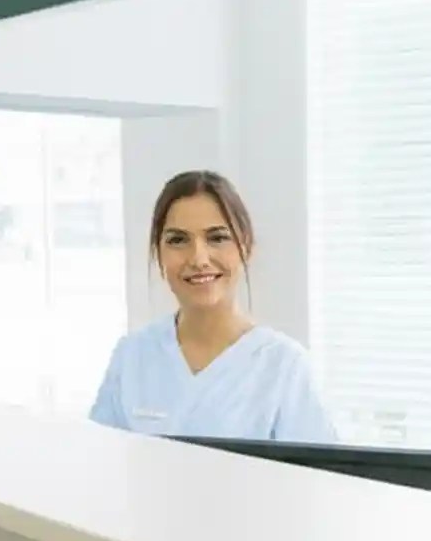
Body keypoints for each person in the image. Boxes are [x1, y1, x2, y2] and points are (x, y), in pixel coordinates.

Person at [89, 170, 336, 442]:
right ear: (158, 253)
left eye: (217, 238)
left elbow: (316, 480)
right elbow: (103, 467)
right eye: (178, 240)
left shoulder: (284, 366)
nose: (198, 258)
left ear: (246, 246)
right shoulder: (132, 356)